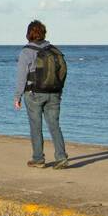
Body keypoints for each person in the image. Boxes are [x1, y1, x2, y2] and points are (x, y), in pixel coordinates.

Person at [13, 19, 69, 168]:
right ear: (43, 33)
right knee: (54, 125)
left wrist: (17, 96)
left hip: (34, 94)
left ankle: (38, 158)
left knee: (35, 126)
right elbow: (62, 72)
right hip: (54, 92)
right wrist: (59, 91)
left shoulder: (26, 52)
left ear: (28, 34)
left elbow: (21, 77)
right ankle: (61, 156)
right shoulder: (54, 50)